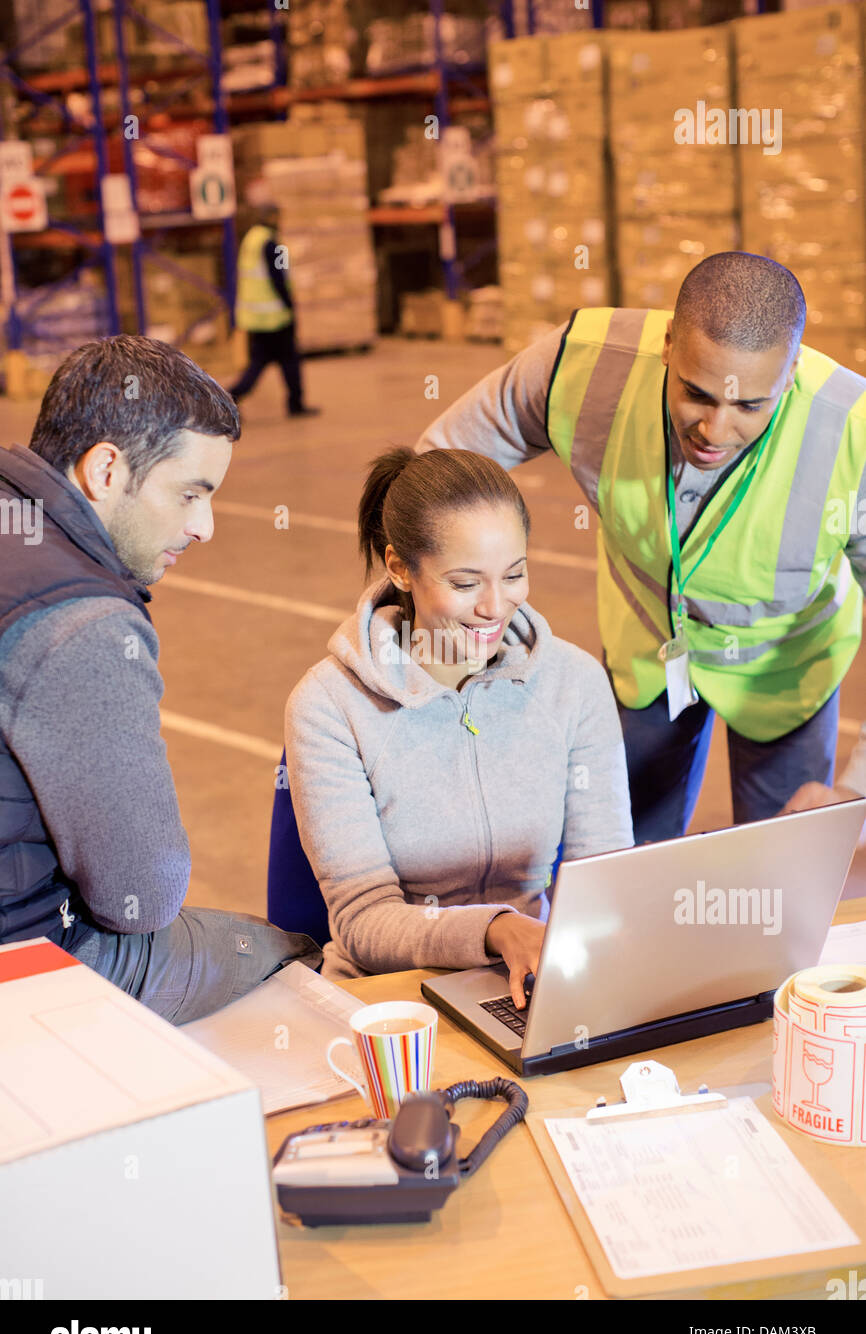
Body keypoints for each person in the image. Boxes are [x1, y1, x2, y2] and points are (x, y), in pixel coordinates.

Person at [414, 252, 866, 844]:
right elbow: (436, 470)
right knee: (623, 862)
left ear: (790, 372)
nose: (715, 430)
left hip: (787, 671)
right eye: (697, 393)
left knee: (785, 879)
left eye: (750, 406)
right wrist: (441, 620)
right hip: (648, 653)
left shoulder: (850, 427)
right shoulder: (583, 364)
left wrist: (857, 791)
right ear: (669, 343)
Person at [0, 335, 321, 1021]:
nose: (203, 527)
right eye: (188, 494)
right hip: (24, 964)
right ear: (106, 470)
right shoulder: (80, 623)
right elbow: (140, 892)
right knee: (278, 952)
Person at [283, 446, 634, 1007]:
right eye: (466, 583)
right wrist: (495, 929)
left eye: (514, 574)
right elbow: (363, 920)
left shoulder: (575, 683)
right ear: (400, 568)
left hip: (530, 979)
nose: (497, 607)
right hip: (389, 998)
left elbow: (606, 875)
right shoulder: (328, 705)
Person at [228, 203, 319, 419]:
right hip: (275, 317)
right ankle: (295, 403)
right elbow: (280, 277)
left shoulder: (251, 239)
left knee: (259, 364)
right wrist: (289, 304)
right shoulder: (272, 243)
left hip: (257, 317)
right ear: (272, 217)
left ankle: (229, 398)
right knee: (289, 361)